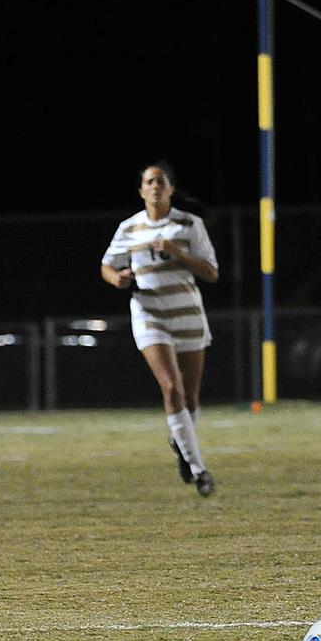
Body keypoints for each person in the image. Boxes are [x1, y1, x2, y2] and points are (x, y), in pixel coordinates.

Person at [100, 161, 220, 496]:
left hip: (187, 314)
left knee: (190, 397)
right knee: (171, 388)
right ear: (141, 190)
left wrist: (177, 252)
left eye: (161, 181)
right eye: (149, 182)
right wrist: (117, 279)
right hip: (149, 314)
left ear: (171, 189)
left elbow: (211, 272)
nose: (155, 186)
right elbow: (107, 266)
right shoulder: (129, 227)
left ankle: (181, 444)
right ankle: (199, 469)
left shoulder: (189, 223)